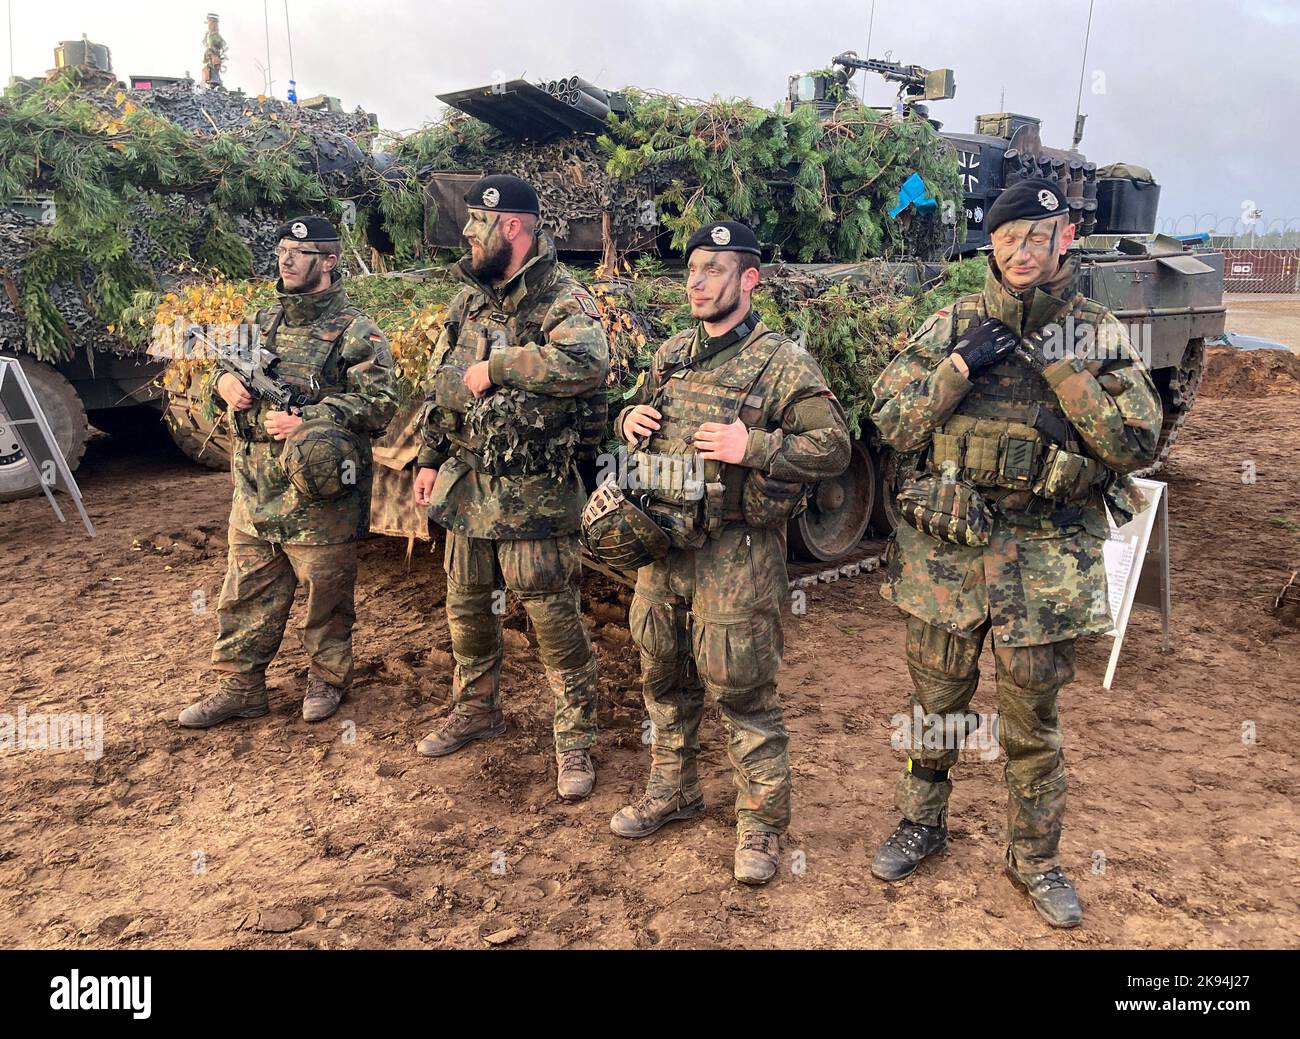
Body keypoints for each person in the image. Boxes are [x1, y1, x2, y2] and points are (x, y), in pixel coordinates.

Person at [867, 178, 1163, 926]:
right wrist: (958, 367)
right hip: (949, 556)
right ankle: (921, 824)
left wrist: (1066, 378)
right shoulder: (955, 322)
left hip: (1046, 560)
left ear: (1063, 239)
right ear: (990, 245)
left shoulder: (1094, 331)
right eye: (1008, 238)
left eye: (1038, 236)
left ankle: (1035, 860)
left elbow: (1136, 439)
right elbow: (893, 423)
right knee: (934, 703)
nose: (1022, 251)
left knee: (1032, 725)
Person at [599, 219, 850, 884]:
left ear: (749, 279)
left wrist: (757, 447)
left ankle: (763, 826)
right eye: (692, 270)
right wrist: (628, 418)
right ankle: (673, 789)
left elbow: (836, 449)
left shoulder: (782, 362)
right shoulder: (674, 352)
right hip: (664, 543)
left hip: (736, 551)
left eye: (714, 269)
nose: (698, 282)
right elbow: (640, 410)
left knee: (741, 689)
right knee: (663, 674)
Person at [412, 175, 609, 802]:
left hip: (536, 494)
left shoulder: (561, 301)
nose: (468, 233)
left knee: (553, 619)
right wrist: (428, 456)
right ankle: (476, 709)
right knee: (467, 610)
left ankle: (575, 741)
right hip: (469, 488)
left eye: (478, 222)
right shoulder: (467, 303)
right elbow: (444, 383)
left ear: (513, 227)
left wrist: (498, 367)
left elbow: (587, 365)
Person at [180, 215, 397, 728]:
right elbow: (223, 368)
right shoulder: (262, 319)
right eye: (282, 249)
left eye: (300, 253)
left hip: (320, 496)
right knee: (245, 593)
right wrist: (223, 388)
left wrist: (310, 416)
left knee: (326, 600)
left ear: (329, 261)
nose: (287, 259)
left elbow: (381, 405)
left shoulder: (356, 330)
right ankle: (240, 686)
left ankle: (326, 680)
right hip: (255, 490)